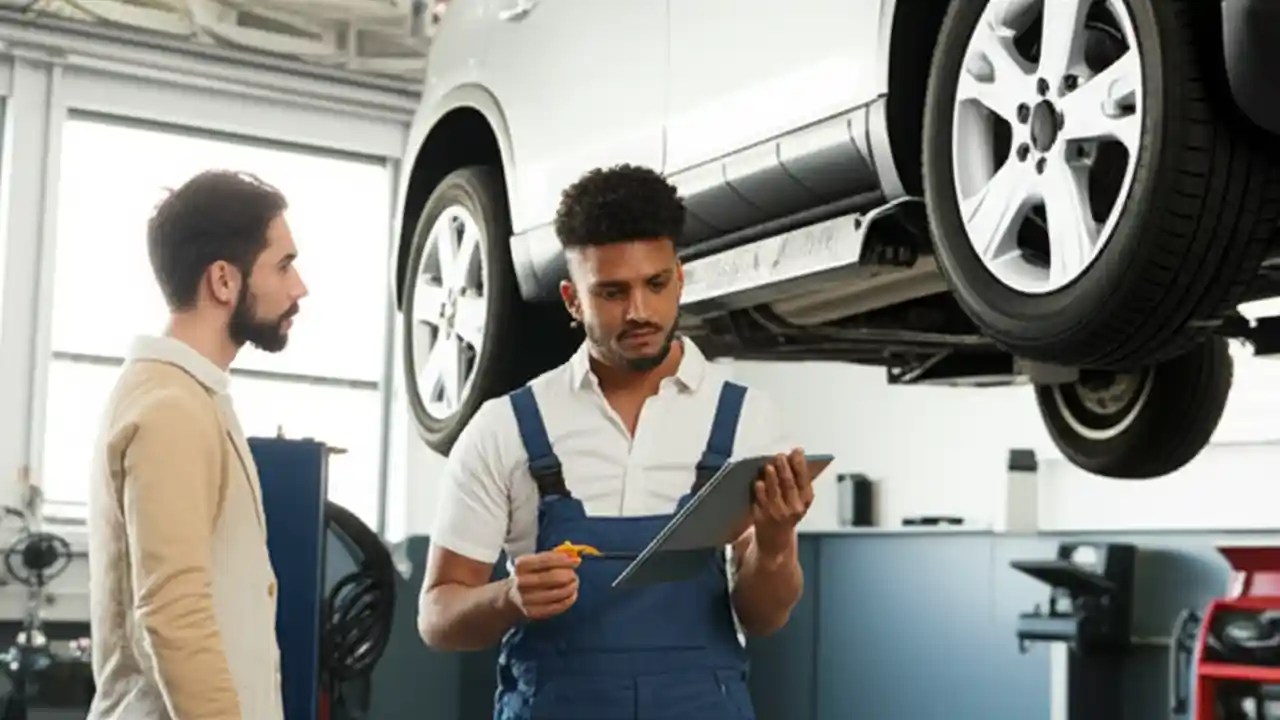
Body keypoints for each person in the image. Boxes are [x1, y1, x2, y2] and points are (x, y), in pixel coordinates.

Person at [418, 163, 814, 719]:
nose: (639, 312)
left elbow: (765, 617)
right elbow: (438, 618)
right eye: (611, 292)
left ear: (680, 278)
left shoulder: (748, 420)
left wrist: (775, 543)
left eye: (656, 284)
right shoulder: (504, 427)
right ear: (572, 299)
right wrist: (507, 598)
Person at [86, 170, 308, 720]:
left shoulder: (189, 396)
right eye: (283, 266)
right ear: (223, 281)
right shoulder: (171, 409)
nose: (299, 288)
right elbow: (174, 612)